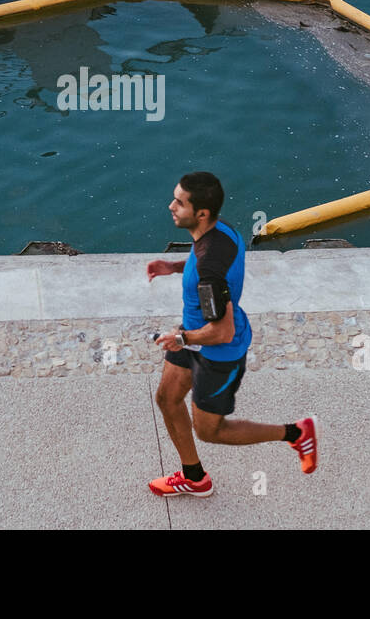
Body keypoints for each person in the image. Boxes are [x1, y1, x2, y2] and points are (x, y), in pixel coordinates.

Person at [146, 171, 318, 497]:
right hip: (193, 333)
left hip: (217, 353)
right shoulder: (222, 230)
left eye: (179, 203)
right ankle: (194, 478)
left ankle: (296, 433)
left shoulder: (210, 277)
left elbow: (222, 332)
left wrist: (181, 340)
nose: (171, 206)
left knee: (211, 431)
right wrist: (174, 267)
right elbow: (207, 260)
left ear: (201, 213)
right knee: (168, 399)